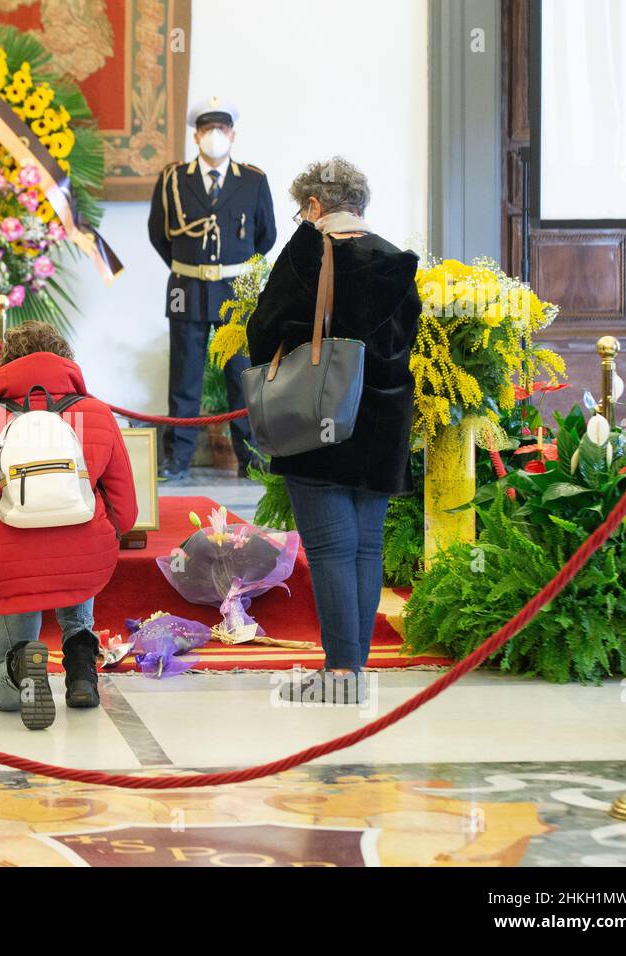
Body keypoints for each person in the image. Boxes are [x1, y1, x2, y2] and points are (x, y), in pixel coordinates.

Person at [245, 157, 420, 705]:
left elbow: (262, 331)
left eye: (304, 207)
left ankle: (341, 676)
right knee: (366, 547)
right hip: (383, 420)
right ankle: (355, 670)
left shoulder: (305, 254)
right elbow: (409, 336)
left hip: (318, 418)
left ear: (316, 206)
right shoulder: (396, 260)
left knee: (328, 549)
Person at [0, 322, 138, 730]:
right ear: (64, 360)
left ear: (7, 364)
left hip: (5, 562)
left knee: (3, 696)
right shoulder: (95, 414)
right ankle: (81, 666)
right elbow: (125, 503)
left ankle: (21, 671)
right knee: (73, 543)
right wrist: (103, 535)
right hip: (83, 556)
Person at [147, 95, 278, 482]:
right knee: (184, 379)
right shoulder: (174, 179)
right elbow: (160, 234)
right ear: (196, 136)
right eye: (207, 130)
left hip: (235, 291)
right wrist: (192, 265)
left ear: (232, 134)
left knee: (241, 377)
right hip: (186, 287)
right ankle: (177, 459)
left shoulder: (253, 180)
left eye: (221, 130)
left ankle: (250, 457)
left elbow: (265, 235)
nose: (215, 137)